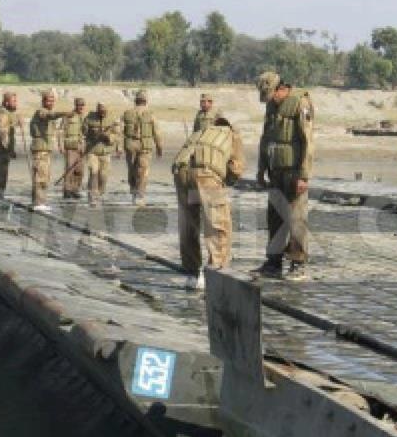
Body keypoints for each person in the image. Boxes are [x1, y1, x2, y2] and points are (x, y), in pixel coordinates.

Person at [254, 72, 314, 282]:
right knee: (275, 218)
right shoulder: (271, 106)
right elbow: (265, 139)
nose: (270, 100)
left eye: (271, 95)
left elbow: (308, 142)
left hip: (294, 171)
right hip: (275, 171)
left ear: (282, 88)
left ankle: (298, 263)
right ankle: (273, 262)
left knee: (296, 218)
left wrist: (304, 176)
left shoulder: (300, 103)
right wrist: (261, 168)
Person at [173, 117, 245, 290]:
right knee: (219, 226)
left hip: (181, 174)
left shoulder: (201, 132)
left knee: (189, 224)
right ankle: (216, 272)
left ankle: (191, 273)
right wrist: (228, 181)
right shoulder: (232, 135)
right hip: (206, 175)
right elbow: (236, 167)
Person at [29, 90, 69, 212]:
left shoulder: (48, 113)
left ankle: (40, 201)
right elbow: (50, 115)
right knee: (40, 176)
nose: (51, 103)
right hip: (40, 150)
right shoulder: (41, 112)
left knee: (45, 176)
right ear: (43, 101)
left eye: (52, 100)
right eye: (48, 100)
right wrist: (63, 113)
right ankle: (38, 202)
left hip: (45, 150)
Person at [122, 89, 163, 206]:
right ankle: (140, 195)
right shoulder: (151, 115)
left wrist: (118, 147)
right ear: (146, 101)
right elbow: (157, 133)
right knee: (143, 171)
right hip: (145, 146)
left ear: (136, 101)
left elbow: (119, 130)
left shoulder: (127, 113)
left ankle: (134, 191)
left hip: (130, 145)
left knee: (131, 169)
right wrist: (159, 148)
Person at [82, 102, 120, 205]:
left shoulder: (112, 119)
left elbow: (117, 135)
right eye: (100, 111)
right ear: (97, 109)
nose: (102, 113)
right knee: (93, 172)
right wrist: (92, 134)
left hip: (106, 151)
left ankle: (100, 193)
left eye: (104, 111)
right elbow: (83, 131)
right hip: (92, 151)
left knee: (103, 175)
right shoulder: (89, 118)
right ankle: (92, 196)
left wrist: (108, 137)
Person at [0, 91, 19, 201]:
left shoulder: (6, 112)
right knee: (0, 176)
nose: (16, 104)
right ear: (6, 102)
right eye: (14, 101)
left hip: (1, 151)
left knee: (1, 175)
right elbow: (3, 133)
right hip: (0, 151)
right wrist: (9, 149)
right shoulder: (3, 113)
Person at [59, 97, 88, 199]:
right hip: (70, 146)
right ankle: (67, 190)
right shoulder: (69, 116)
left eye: (83, 105)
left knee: (79, 171)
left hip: (82, 147)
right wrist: (60, 145)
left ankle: (75, 190)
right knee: (69, 169)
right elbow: (61, 131)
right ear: (75, 105)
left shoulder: (85, 117)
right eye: (79, 105)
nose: (81, 107)